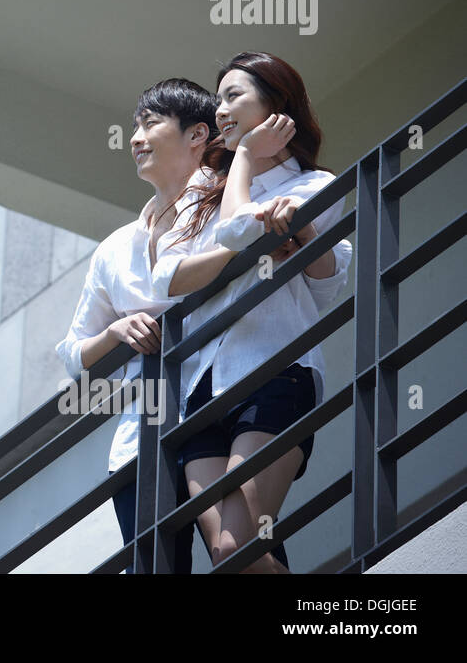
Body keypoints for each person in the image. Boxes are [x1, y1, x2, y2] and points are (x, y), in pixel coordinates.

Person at [154, 52, 353, 573]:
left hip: (274, 374)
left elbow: (243, 231)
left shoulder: (313, 185)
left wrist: (242, 161)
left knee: (232, 551)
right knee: (240, 562)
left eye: (233, 96)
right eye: (218, 99)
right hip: (200, 392)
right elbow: (165, 277)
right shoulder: (201, 193)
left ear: (276, 104)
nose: (220, 110)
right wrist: (244, 246)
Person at [55, 77, 250, 573]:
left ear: (197, 134)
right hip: (141, 435)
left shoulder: (229, 202)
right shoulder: (115, 248)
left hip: (219, 404)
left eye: (150, 124)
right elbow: (74, 353)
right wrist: (115, 334)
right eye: (133, 127)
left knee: (242, 553)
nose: (136, 138)